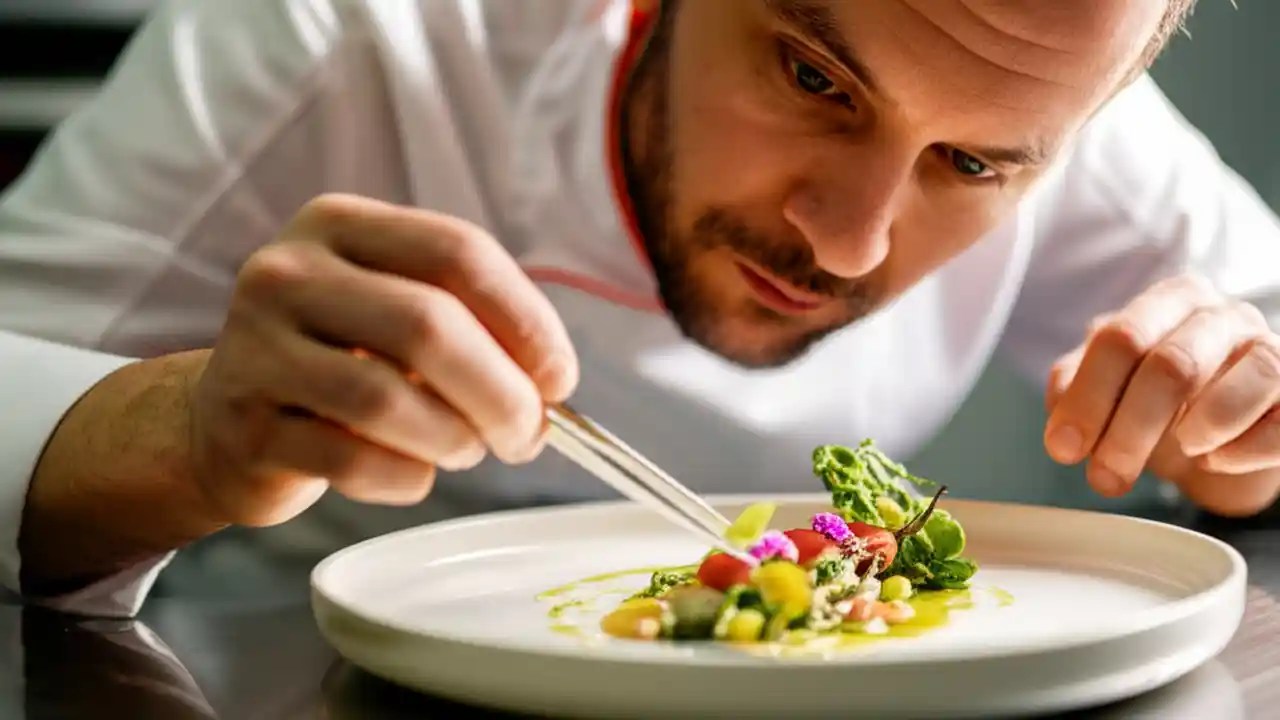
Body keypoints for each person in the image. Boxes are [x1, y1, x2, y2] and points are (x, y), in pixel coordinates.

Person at [1, 0, 1278, 618]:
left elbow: (1261, 333)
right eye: (809, 73)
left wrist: (1243, 422)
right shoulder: (331, 40)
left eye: (974, 167)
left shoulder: (1028, 84)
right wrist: (185, 430)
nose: (847, 242)